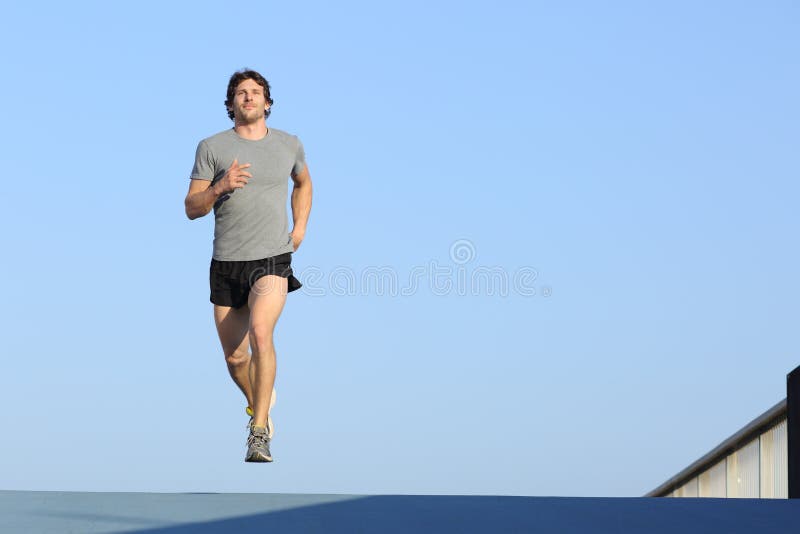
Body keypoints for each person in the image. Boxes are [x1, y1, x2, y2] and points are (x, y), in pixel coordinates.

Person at [184, 69, 312, 462]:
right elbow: (191, 208)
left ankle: (258, 432)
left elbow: (303, 183)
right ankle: (260, 399)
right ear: (231, 105)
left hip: (272, 257)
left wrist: (300, 228)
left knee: (261, 334)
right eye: (241, 93)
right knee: (236, 359)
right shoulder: (212, 147)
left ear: (267, 102)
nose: (249, 97)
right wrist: (220, 187)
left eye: (256, 92)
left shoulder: (289, 144)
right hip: (226, 261)